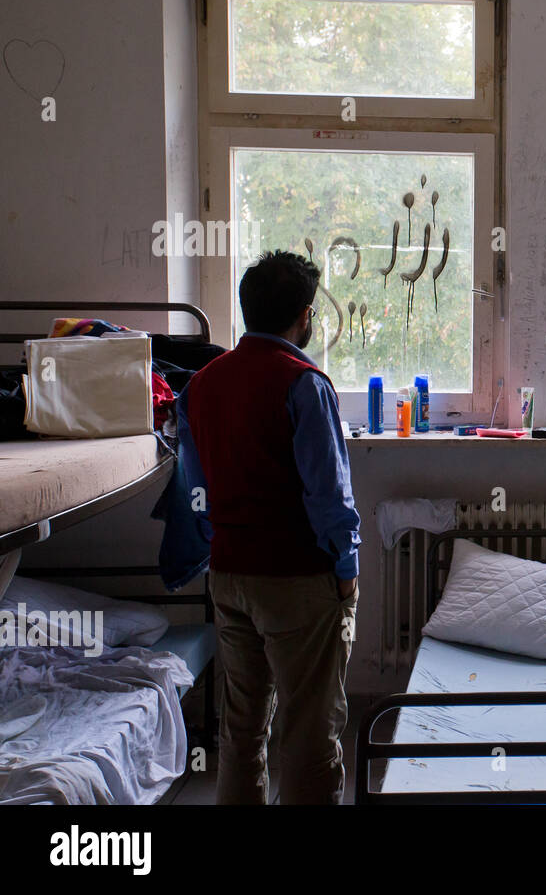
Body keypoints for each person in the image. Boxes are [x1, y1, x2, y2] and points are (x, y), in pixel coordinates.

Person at [178, 249, 361, 804]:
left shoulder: (202, 385)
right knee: (309, 734)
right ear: (305, 315)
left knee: (241, 730)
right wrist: (346, 572)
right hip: (295, 580)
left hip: (229, 574)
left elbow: (198, 486)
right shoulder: (304, 383)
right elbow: (328, 497)